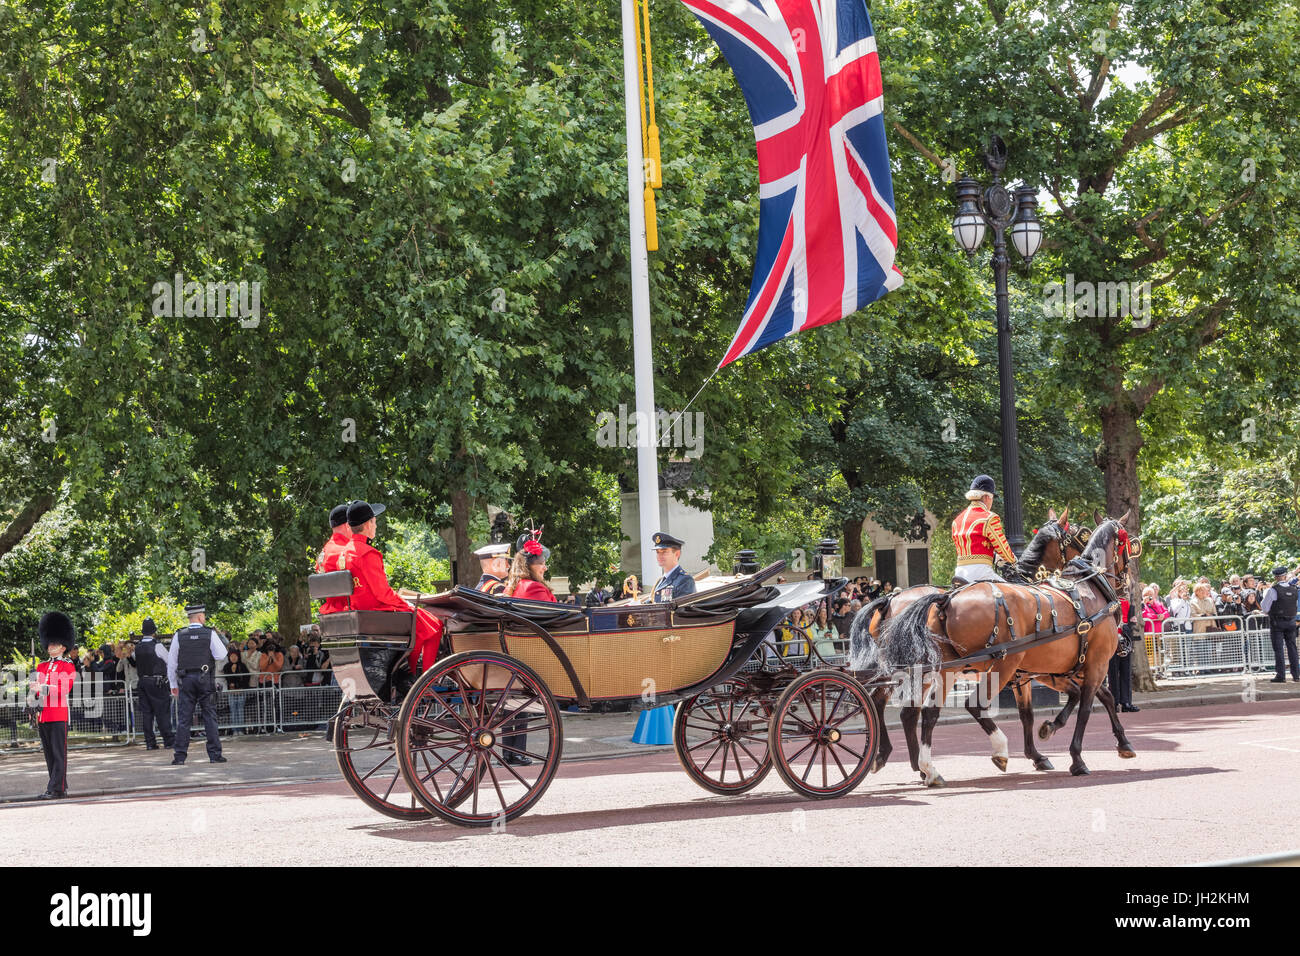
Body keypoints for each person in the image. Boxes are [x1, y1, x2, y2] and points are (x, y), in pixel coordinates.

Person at [342, 500, 445, 674]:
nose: (376, 525)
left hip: (361, 611)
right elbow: (382, 594)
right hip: (378, 612)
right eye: (375, 521)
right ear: (368, 524)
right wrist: (405, 603)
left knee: (421, 627)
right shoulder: (367, 553)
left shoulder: (345, 552)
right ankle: (422, 680)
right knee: (435, 626)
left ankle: (412, 674)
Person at [166, 603, 228, 765]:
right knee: (209, 717)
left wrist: (173, 684)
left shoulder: (179, 635)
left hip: (185, 680)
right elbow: (221, 654)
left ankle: (179, 756)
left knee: (184, 719)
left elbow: (171, 663)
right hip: (205, 678)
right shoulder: (209, 634)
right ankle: (214, 755)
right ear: (201, 617)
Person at [31, 612, 77, 799]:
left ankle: (56, 788)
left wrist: (42, 687)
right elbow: (36, 692)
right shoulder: (41, 667)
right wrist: (32, 702)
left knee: (59, 755)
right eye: (50, 643)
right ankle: (57, 787)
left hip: (58, 714)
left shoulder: (68, 666)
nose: (51, 646)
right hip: (43, 715)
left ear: (63, 646)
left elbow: (64, 688)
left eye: (54, 644)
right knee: (49, 755)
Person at [951, 475, 1016, 583]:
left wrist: (994, 557)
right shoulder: (989, 517)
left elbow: (973, 548)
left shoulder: (957, 520)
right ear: (986, 497)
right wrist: (1014, 561)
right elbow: (1003, 549)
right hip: (981, 573)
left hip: (959, 574)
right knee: (1014, 595)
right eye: (992, 498)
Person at [133, 619, 175, 751]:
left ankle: (150, 743)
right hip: (157, 682)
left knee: (147, 713)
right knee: (162, 712)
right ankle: (168, 741)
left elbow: (135, 660)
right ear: (154, 632)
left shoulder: (137, 647)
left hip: (142, 682)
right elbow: (169, 661)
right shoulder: (157, 645)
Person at [1262, 566, 1300, 683]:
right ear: (1284, 576)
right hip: (1291, 622)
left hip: (1277, 622)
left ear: (1276, 577)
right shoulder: (1294, 589)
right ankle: (1296, 675)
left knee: (1278, 649)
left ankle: (1281, 675)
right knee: (1292, 648)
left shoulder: (1273, 590)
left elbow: (1264, 607)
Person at [316, 503, 355, 615]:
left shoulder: (324, 552)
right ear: (348, 525)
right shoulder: (347, 551)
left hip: (330, 612)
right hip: (351, 611)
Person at [506, 532, 556, 602]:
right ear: (527, 566)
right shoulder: (532, 587)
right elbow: (553, 612)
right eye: (541, 564)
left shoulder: (515, 585)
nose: (545, 568)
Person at [649, 532, 697, 602]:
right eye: (658, 552)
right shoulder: (660, 581)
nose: (659, 556)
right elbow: (652, 603)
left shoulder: (685, 580)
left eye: (664, 552)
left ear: (677, 554)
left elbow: (683, 610)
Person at [220, 648, 251, 733]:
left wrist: (241, 688)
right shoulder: (227, 666)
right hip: (231, 691)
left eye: (235, 656)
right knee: (233, 710)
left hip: (241, 691)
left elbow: (246, 678)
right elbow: (228, 679)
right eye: (232, 656)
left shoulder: (242, 666)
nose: (233, 658)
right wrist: (233, 672)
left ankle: (241, 729)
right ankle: (234, 730)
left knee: (240, 710)